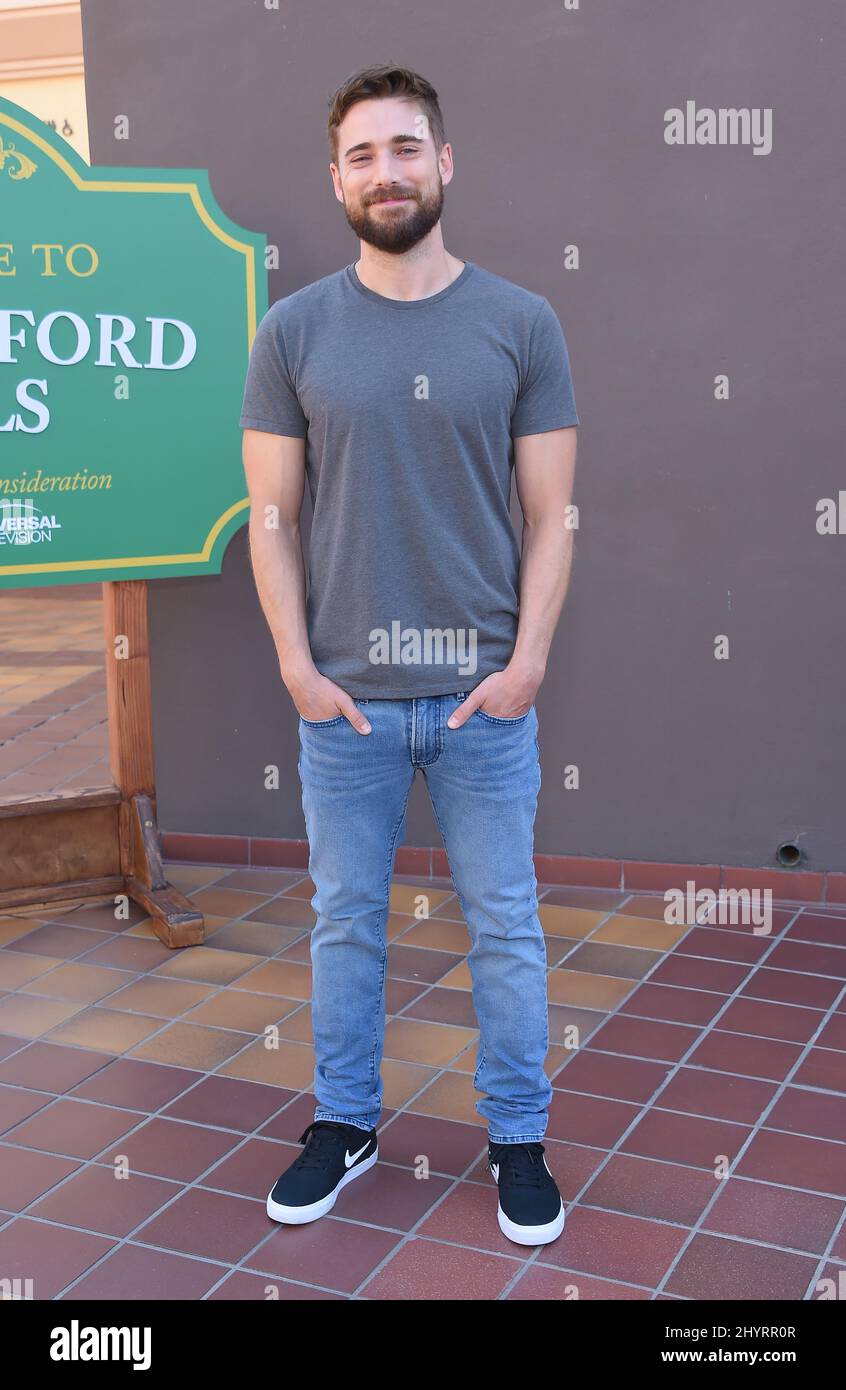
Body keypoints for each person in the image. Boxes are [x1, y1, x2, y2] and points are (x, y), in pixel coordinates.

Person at [239, 63, 579, 1247]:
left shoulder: (522, 322)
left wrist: (528, 662)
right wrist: (296, 664)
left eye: (406, 148)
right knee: (345, 922)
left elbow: (554, 516)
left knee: (504, 922)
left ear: (446, 162)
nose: (386, 172)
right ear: (336, 179)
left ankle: (521, 1137)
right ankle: (345, 1122)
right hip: (347, 712)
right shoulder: (293, 331)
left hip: (489, 701)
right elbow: (271, 519)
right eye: (363, 155)